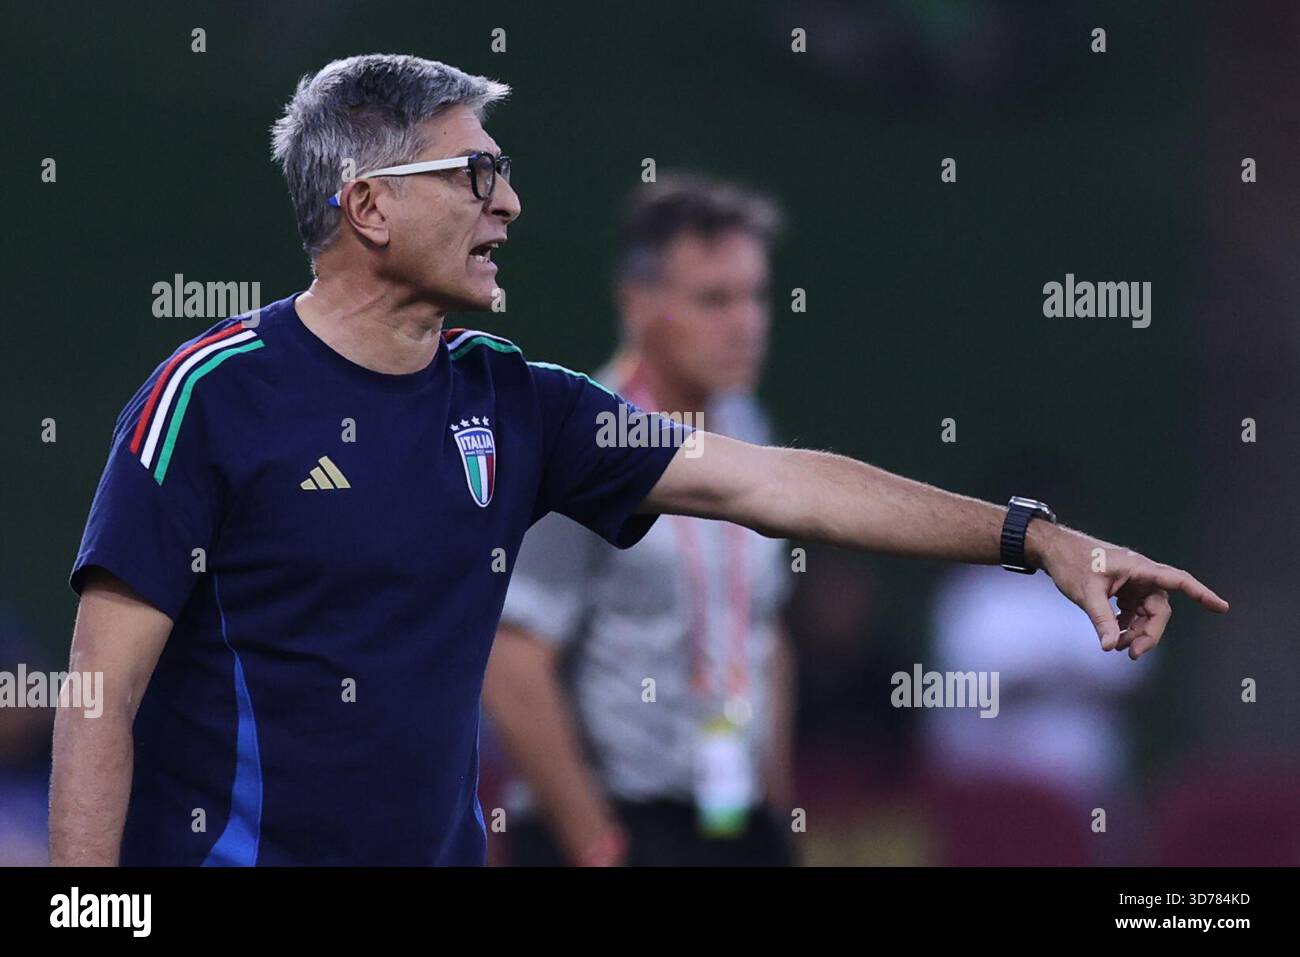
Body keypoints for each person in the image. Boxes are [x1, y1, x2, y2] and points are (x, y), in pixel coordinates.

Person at [50, 54, 1228, 867]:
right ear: (366, 204)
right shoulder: (207, 398)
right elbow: (100, 693)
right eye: (475, 174)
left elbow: (773, 485)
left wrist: (1036, 540)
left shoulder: (518, 404)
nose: (509, 201)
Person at [484, 175, 797, 866]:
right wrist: (596, 844)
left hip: (732, 820)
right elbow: (511, 663)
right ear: (638, 303)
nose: (746, 322)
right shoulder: (586, 444)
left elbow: (765, 634)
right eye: (714, 299)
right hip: (621, 823)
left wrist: (775, 812)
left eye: (755, 295)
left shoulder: (748, 427)